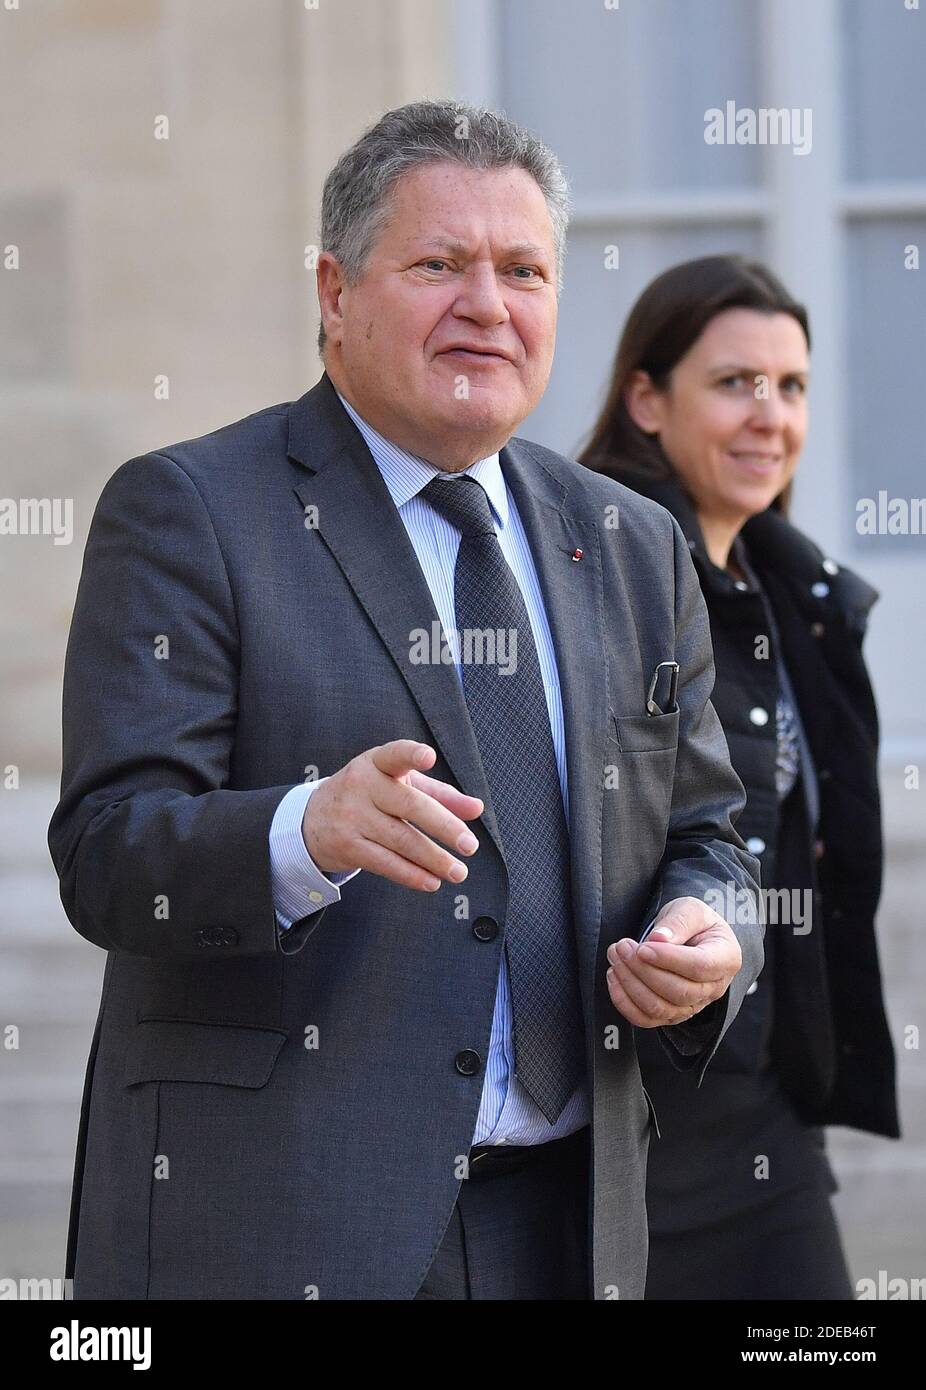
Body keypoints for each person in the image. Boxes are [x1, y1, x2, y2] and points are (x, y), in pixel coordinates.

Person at [48, 105, 761, 1302]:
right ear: (334, 290)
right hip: (277, 1229)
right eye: (438, 265)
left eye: (523, 270)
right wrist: (302, 833)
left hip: (571, 1229)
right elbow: (107, 852)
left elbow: (706, 833)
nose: (487, 303)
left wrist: (707, 934)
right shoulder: (192, 511)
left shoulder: (630, 541)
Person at [579, 254, 899, 1300]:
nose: (770, 416)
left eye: (790, 386)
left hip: (763, 1100)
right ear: (645, 398)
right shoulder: (592, 572)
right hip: (620, 1114)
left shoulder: (794, 593)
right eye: (733, 383)